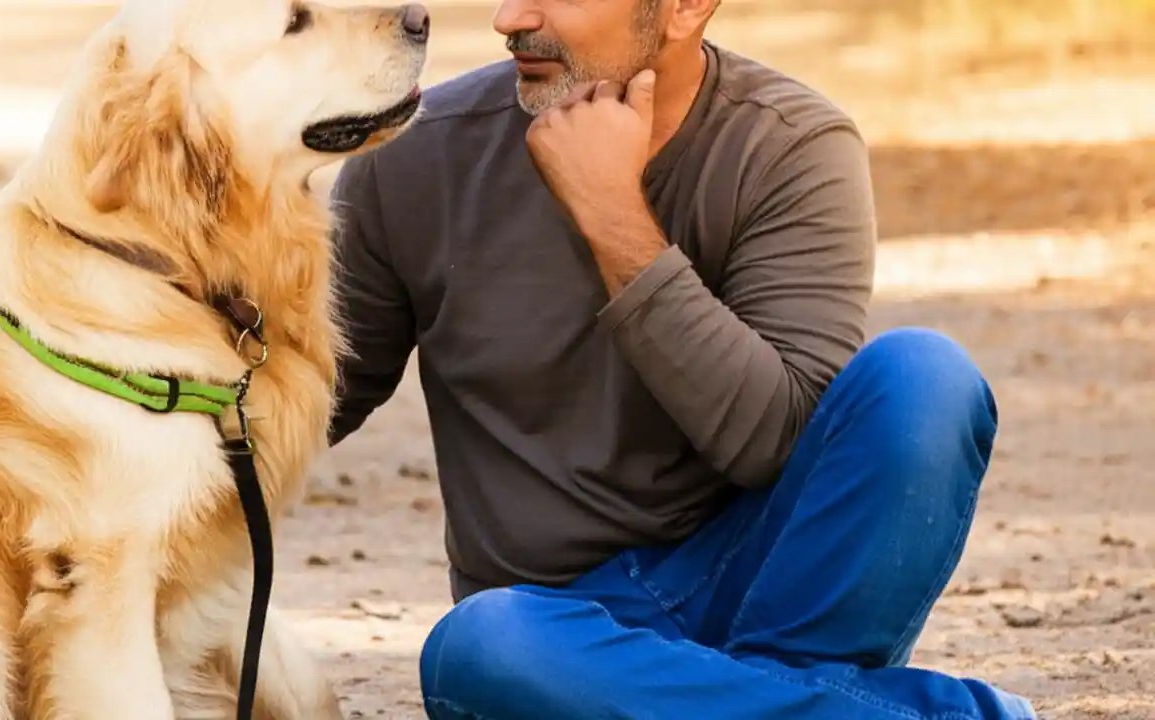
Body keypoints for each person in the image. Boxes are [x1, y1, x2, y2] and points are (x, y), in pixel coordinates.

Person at [325, 0, 1037, 716]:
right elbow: (299, 397)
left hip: (763, 589)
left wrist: (613, 214)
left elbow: (772, 444)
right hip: (557, 635)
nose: (510, 17)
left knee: (925, 380)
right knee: (477, 646)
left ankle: (745, 698)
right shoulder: (416, 155)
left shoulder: (791, 146)